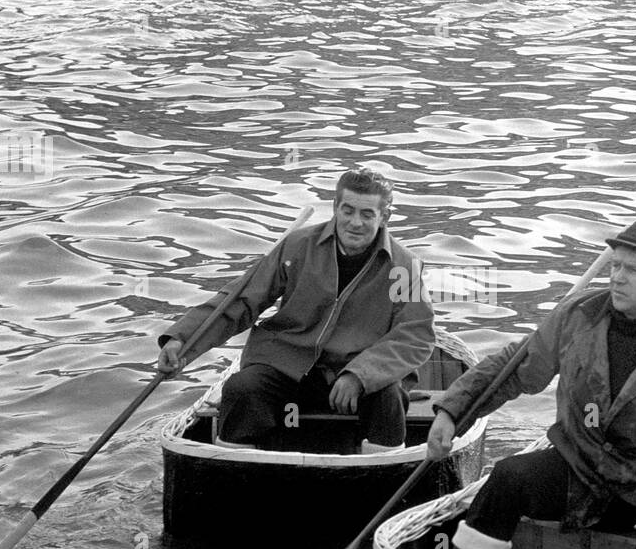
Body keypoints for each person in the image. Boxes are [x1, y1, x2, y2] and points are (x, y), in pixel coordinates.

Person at [427, 216, 636, 549]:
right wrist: (453, 411)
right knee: (508, 477)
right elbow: (513, 367)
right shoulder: (577, 315)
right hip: (580, 473)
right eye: (615, 266)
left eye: (635, 270)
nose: (618, 277)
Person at [157, 168, 435, 453]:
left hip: (355, 373)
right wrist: (182, 340)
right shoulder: (298, 246)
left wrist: (360, 374)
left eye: (367, 214)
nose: (355, 223)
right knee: (242, 390)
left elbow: (415, 335)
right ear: (335, 208)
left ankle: (380, 473)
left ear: (384, 217)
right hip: (288, 365)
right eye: (348, 211)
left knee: (388, 398)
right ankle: (233, 469)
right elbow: (241, 300)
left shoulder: (403, 267)